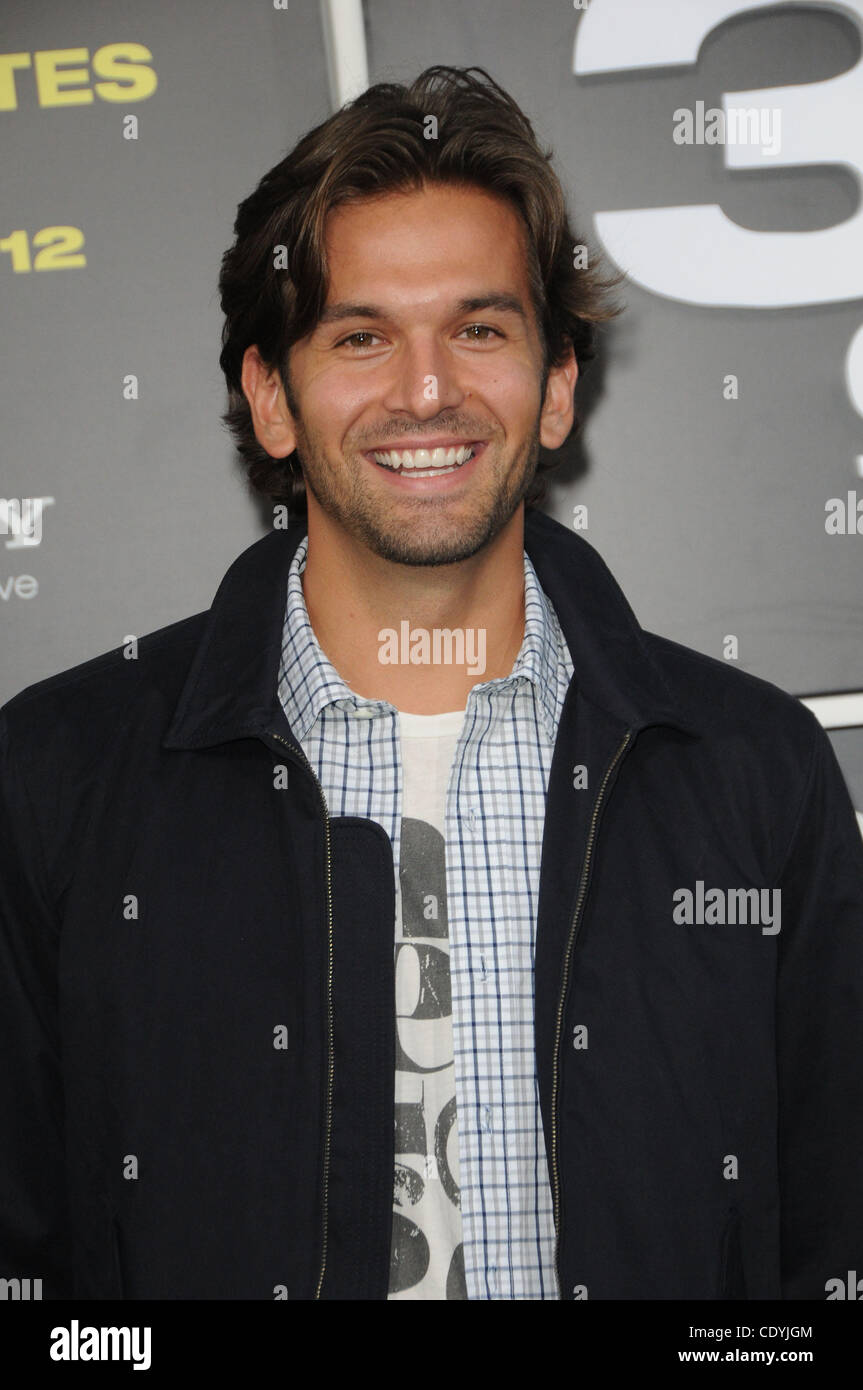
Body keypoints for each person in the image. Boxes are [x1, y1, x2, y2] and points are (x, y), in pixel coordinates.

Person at [1, 65, 861, 1303]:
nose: (424, 391)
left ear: (555, 385)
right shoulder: (56, 777)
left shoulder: (752, 770)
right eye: (360, 336)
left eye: (478, 327)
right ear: (271, 397)